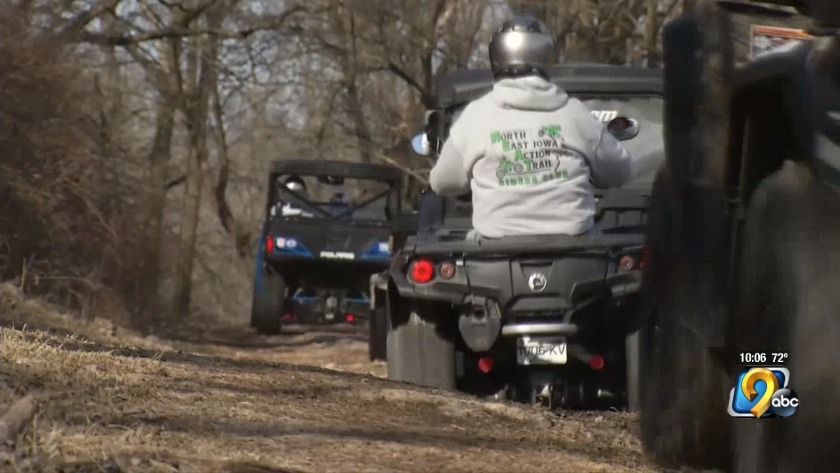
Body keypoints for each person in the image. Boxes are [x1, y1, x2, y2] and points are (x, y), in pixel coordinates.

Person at [428, 15, 638, 240]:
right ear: (546, 56)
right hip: (576, 255)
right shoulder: (575, 114)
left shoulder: (475, 116)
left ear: (496, 58)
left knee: (470, 240)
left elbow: (442, 182)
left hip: (495, 257)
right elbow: (623, 172)